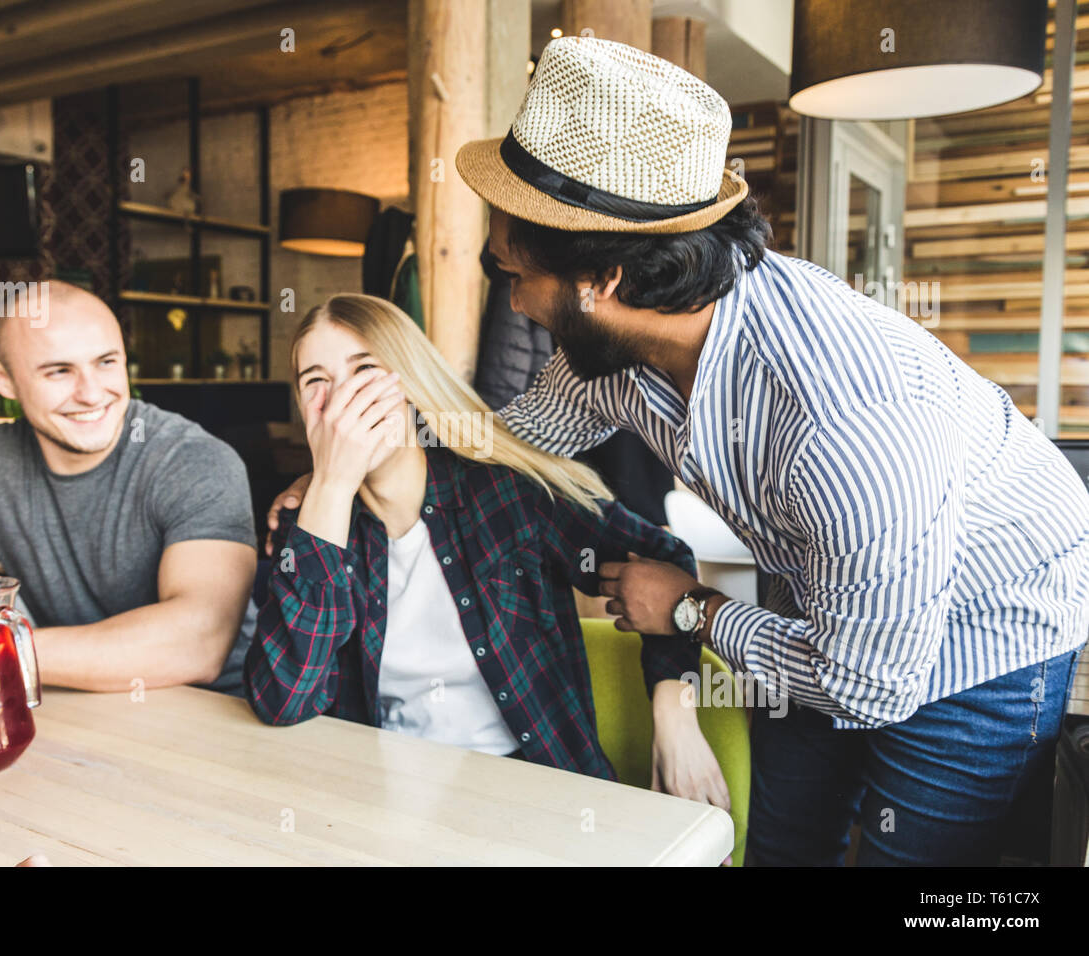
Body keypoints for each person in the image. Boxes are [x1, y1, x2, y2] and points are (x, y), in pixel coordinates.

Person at [273, 37, 1089, 866]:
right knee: (777, 844)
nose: (510, 293)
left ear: (605, 281)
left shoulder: (845, 424)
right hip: (817, 610)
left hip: (981, 633)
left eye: (511, 272)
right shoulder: (621, 350)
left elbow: (870, 683)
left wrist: (692, 609)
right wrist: (343, 465)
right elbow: (512, 438)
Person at [247, 292, 727, 804]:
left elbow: (662, 563)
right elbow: (284, 699)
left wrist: (675, 718)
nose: (343, 406)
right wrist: (332, 487)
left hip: (537, 797)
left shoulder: (509, 494)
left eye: (363, 371)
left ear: (406, 382)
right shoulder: (310, 520)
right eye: (315, 382)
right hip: (384, 803)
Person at [0, 281, 257, 693]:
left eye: (106, 363)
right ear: (4, 381)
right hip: (76, 706)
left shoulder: (193, 460)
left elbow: (200, 641)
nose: (92, 392)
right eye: (59, 371)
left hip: (215, 717)